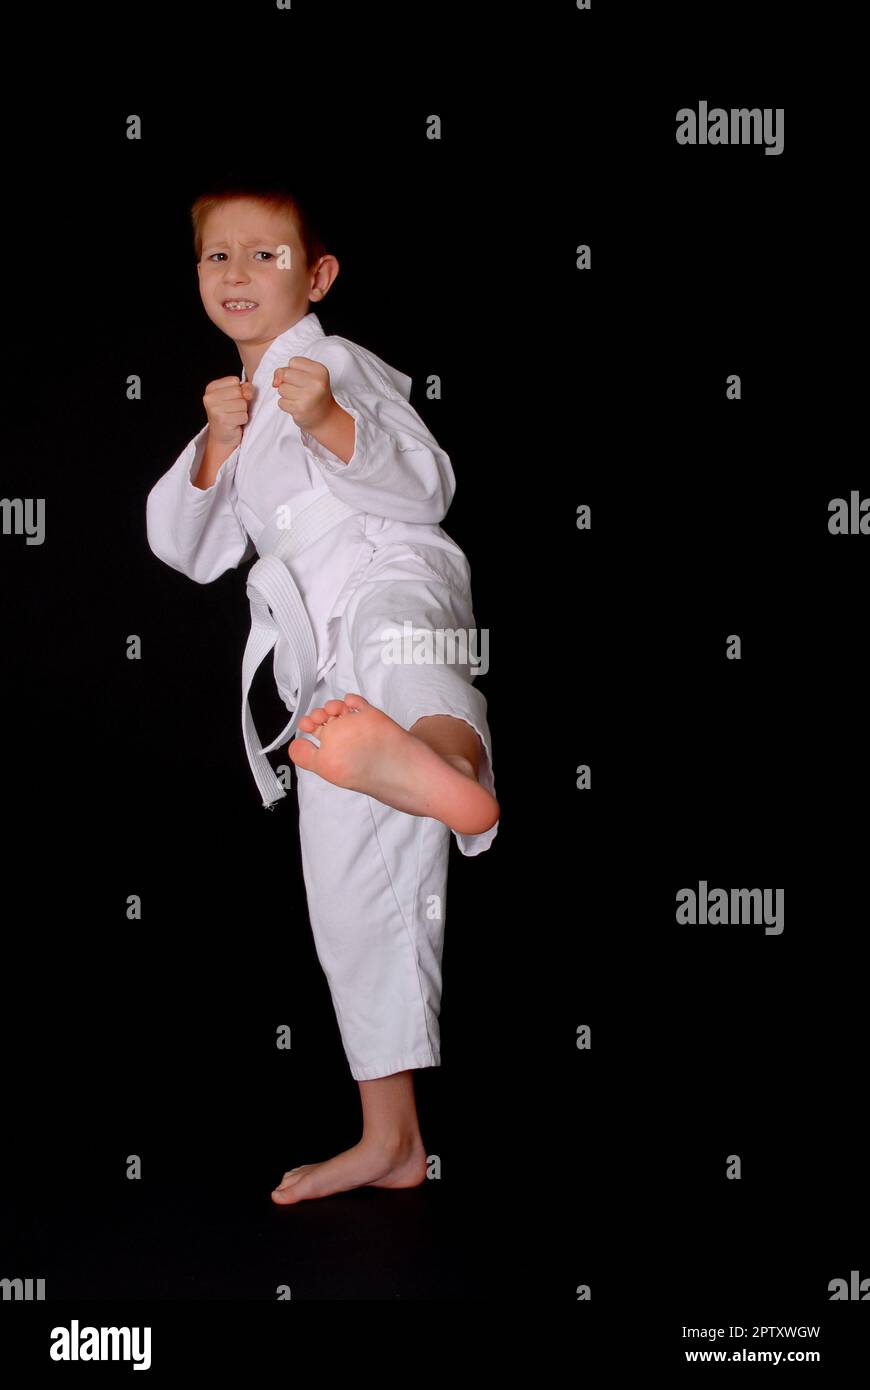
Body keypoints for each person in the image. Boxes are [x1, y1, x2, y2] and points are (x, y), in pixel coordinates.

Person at [145, 182, 499, 1204]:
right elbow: (188, 550)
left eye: (265, 255)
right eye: (219, 257)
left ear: (317, 275)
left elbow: (428, 486)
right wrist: (216, 447)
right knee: (348, 893)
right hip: (318, 661)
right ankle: (392, 1139)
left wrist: (334, 419)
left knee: (410, 659)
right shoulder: (238, 404)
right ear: (199, 274)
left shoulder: (335, 366)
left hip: (394, 570)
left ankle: (454, 775)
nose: (239, 275)